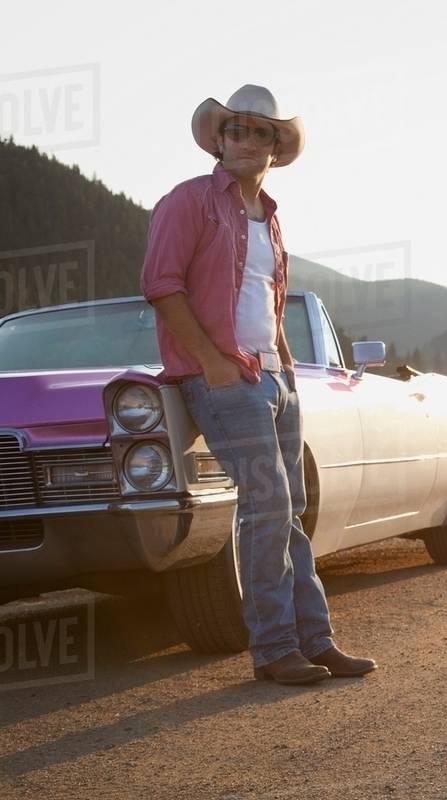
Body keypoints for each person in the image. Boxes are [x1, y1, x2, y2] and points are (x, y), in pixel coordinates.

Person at [139, 84, 376, 685]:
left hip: (276, 377)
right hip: (225, 381)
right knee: (266, 504)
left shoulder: (269, 218)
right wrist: (213, 364)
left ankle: (315, 640)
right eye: (235, 130)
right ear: (218, 141)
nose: (246, 141)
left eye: (259, 132)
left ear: (276, 148)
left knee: (291, 509)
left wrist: (289, 366)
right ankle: (273, 650)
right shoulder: (187, 202)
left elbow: (267, 302)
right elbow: (162, 285)